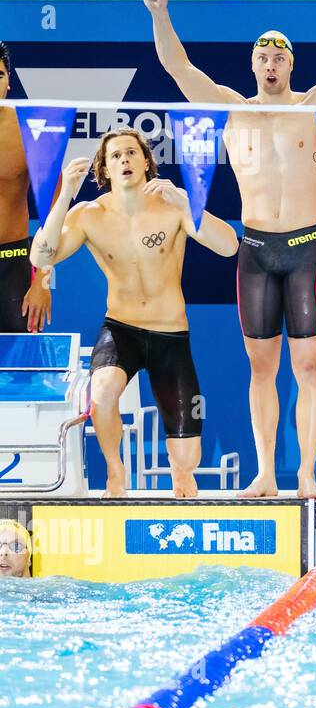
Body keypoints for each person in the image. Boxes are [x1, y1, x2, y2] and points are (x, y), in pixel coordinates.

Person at [145, 0, 316, 500]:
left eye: (279, 56)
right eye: (263, 57)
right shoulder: (234, 109)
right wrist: (160, 13)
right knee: (262, 368)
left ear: (291, 65)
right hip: (255, 251)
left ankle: (305, 475)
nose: (272, 64)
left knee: (307, 366)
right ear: (253, 66)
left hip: (304, 250)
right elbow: (178, 68)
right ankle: (264, 475)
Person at [30, 129, 240, 498]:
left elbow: (228, 246)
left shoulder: (172, 207)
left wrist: (187, 200)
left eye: (131, 153)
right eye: (115, 156)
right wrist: (64, 196)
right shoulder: (89, 214)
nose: (124, 160)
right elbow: (41, 257)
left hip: (170, 334)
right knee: (103, 390)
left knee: (185, 470)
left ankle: (182, 488)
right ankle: (115, 475)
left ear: (146, 162)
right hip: (121, 328)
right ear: (105, 169)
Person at [0, 42, 54, 333]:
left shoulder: (31, 131)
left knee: (20, 370)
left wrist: (43, 281)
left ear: (9, 81)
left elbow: (55, 213)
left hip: (13, 265)